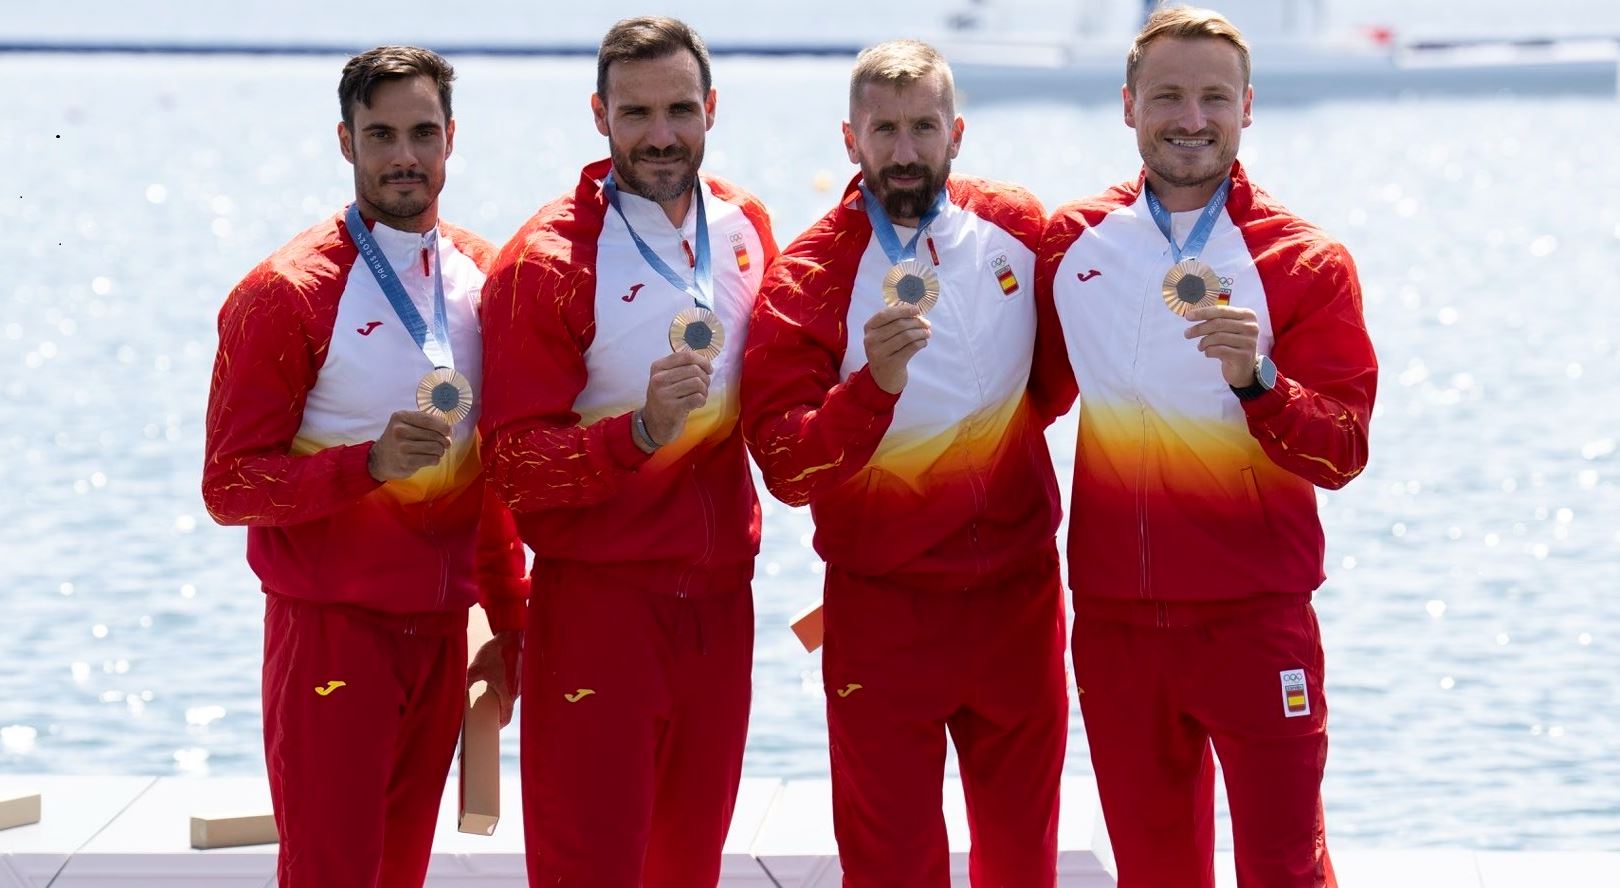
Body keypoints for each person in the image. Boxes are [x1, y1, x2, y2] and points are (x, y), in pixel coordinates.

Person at [1037, 7, 1378, 887]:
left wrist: (1261, 384)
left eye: (1214, 98)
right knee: (1153, 872)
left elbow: (1342, 453)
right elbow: (1014, 403)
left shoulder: (1305, 261)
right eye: (1168, 96)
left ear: (1248, 107)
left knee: (1284, 870)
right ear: (1128, 105)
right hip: (1116, 622)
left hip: (1254, 620)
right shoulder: (1071, 242)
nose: (1192, 118)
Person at [740, 39, 1071, 887]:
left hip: (1018, 601)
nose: (904, 151)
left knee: (1022, 861)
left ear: (956, 132)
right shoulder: (808, 277)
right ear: (849, 139)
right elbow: (785, 467)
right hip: (884, 613)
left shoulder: (1018, 228)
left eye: (923, 127)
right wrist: (872, 390)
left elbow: (1054, 383)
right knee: (890, 866)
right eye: (883, 130)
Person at [201, 46, 527, 888]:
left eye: (423, 133)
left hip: (442, 637)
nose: (404, 156)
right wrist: (366, 466)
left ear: (451, 138)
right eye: (381, 135)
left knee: (400, 873)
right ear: (346, 141)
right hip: (330, 635)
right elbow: (228, 487)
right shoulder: (284, 293)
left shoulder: (486, 276)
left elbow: (490, 480)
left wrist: (511, 622)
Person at [477, 17, 777, 887]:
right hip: (600, 611)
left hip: (722, 609)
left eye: (679, 109)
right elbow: (511, 465)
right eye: (635, 113)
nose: (660, 135)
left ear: (711, 108)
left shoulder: (746, 224)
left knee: (689, 869)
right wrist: (638, 432)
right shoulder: (545, 261)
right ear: (599, 114)